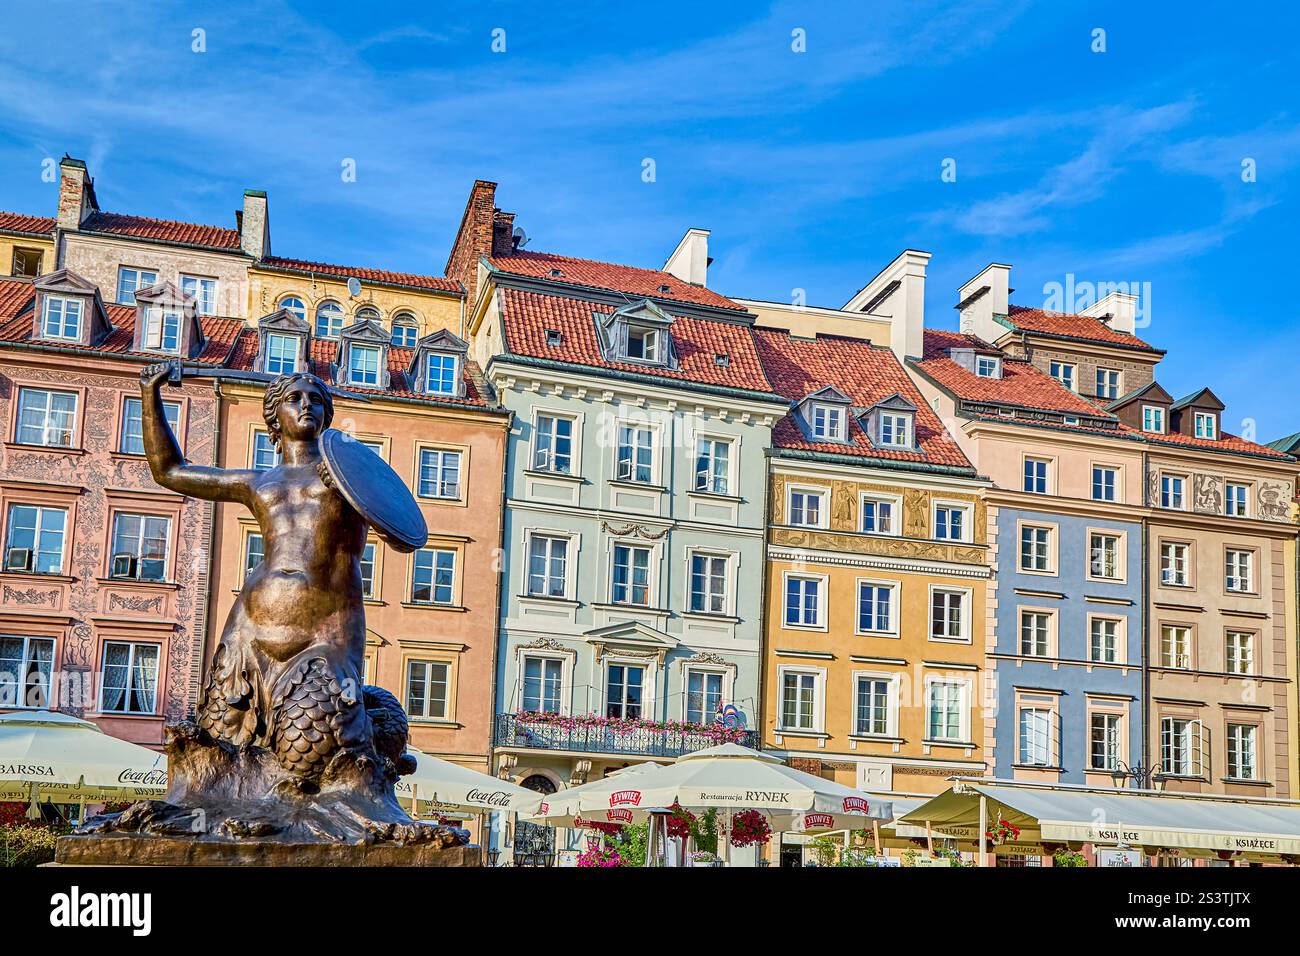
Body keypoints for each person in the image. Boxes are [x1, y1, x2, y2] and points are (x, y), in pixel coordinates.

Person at [139, 363, 387, 786]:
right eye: (295, 398)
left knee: (308, 752)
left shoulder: (350, 479)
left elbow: (403, 531)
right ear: (275, 417)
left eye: (317, 400)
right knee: (219, 755)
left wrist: (352, 484)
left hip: (323, 633)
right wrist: (150, 396)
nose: (306, 404)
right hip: (249, 630)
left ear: (328, 416)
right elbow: (170, 472)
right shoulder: (257, 481)